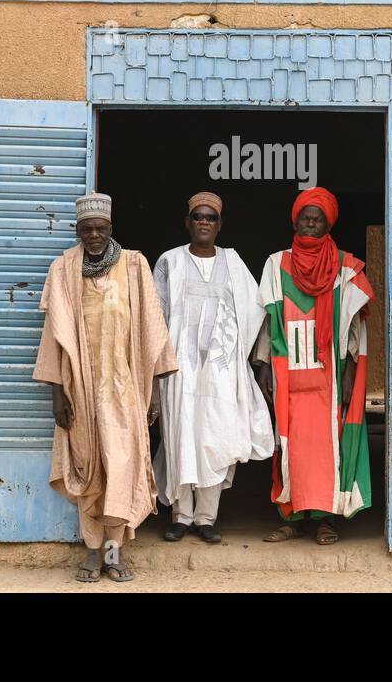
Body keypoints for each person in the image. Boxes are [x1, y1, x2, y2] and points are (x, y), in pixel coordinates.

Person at [32, 193, 177, 583]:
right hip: (80, 391)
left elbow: (152, 332)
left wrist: (155, 394)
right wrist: (57, 393)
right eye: (86, 229)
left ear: (111, 229)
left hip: (124, 391)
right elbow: (52, 337)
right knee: (88, 472)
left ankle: (114, 552)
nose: (93, 235)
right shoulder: (63, 270)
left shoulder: (133, 265)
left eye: (100, 228)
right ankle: (92, 551)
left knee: (122, 468)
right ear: (77, 231)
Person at [253, 186, 374, 545]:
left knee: (329, 448)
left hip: (331, 375)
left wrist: (351, 373)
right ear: (295, 219)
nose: (310, 222)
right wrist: (262, 368)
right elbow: (267, 320)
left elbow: (356, 326)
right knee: (288, 446)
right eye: (305, 216)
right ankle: (292, 518)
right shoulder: (277, 264)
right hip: (288, 374)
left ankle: (326, 520)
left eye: (317, 218)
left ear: (327, 224)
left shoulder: (345, 268)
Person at [152, 192, 273, 544]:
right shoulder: (169, 262)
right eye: (198, 217)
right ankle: (180, 515)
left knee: (215, 439)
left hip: (221, 371)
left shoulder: (233, 262)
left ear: (219, 225)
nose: (204, 222)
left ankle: (206, 518)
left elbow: (256, 309)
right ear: (187, 222)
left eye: (210, 218)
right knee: (180, 437)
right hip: (179, 368)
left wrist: (241, 358)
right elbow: (156, 315)